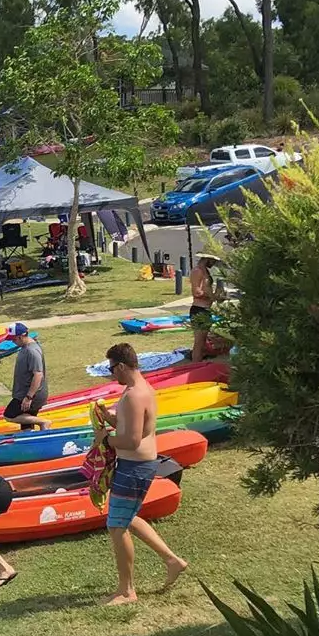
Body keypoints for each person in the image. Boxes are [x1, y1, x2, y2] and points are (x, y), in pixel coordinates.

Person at [93, 343, 188, 605]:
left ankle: (127, 591)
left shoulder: (135, 395)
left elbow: (132, 440)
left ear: (122, 365)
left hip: (135, 467)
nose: (112, 374)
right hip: (135, 466)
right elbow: (133, 427)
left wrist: (105, 439)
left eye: (112, 369)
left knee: (116, 525)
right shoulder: (137, 391)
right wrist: (109, 418)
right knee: (127, 518)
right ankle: (172, 561)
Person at [3, 323, 50, 429]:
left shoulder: (32, 351)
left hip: (29, 395)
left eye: (14, 339)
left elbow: (38, 374)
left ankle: (43, 422)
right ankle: (41, 435)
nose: (12, 342)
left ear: (21, 336)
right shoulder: (25, 346)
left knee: (9, 415)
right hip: (25, 393)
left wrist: (29, 397)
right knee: (27, 427)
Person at [189, 254, 221, 362]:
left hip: (206, 309)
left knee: (202, 343)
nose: (214, 263)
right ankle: (194, 367)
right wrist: (212, 296)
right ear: (207, 259)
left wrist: (216, 295)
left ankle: (197, 365)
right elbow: (196, 292)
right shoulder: (198, 271)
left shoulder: (205, 271)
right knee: (199, 343)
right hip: (199, 309)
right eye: (213, 261)